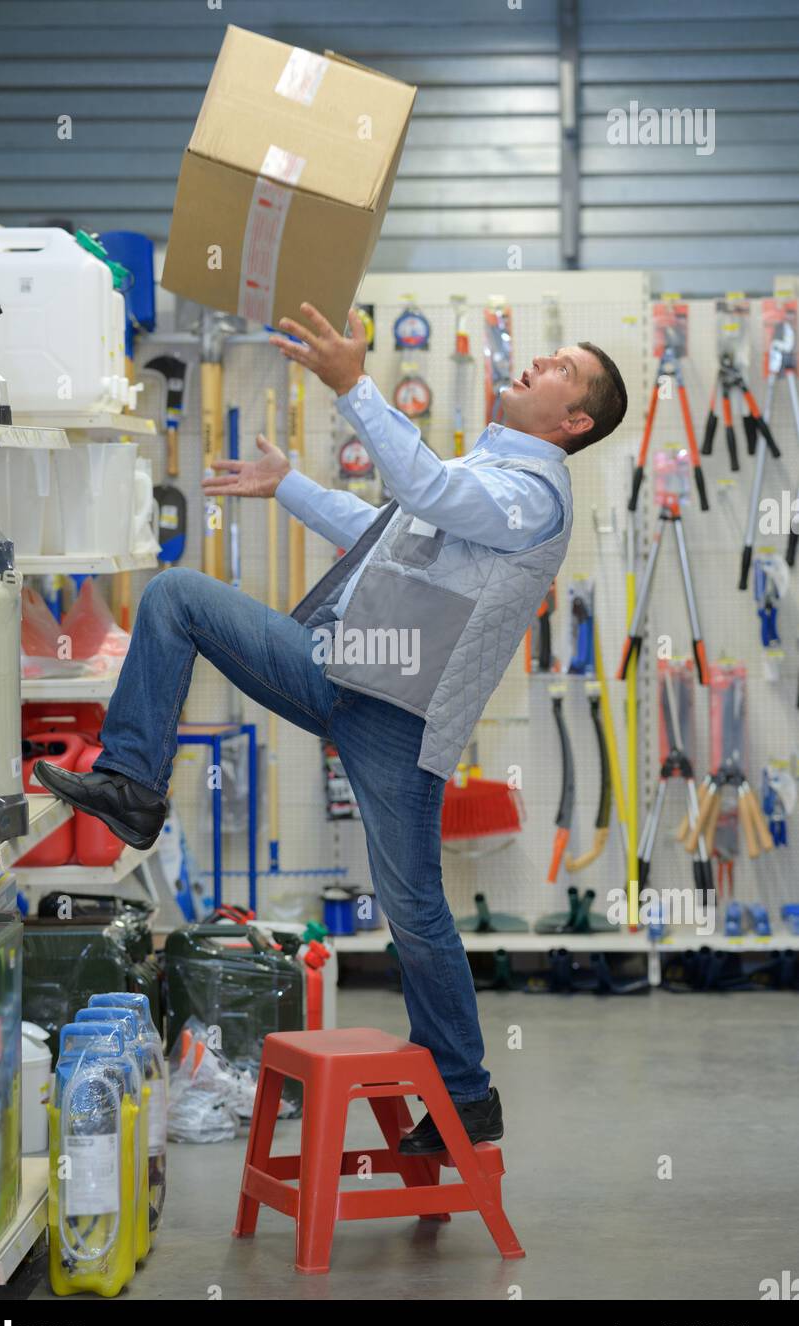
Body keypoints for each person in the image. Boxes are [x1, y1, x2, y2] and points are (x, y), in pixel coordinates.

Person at [36, 303, 627, 1155]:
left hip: (396, 714)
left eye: (561, 369)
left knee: (414, 911)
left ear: (574, 422)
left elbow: (425, 490)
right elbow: (384, 535)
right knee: (175, 598)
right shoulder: (490, 468)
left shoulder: (531, 494)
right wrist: (289, 487)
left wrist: (353, 384)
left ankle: (466, 1097)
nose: (537, 363)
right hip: (338, 671)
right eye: (548, 355)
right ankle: (132, 784)